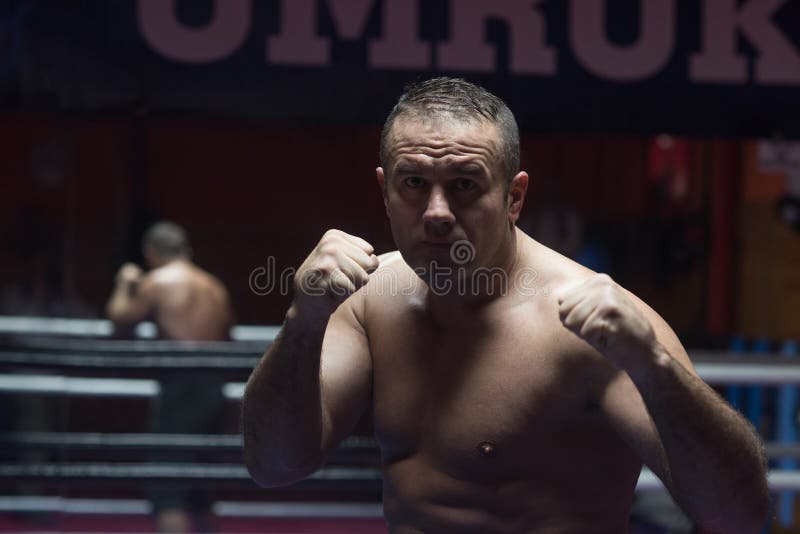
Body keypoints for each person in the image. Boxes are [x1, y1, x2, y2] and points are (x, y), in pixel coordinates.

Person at [242, 78, 769, 532]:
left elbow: (736, 516)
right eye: (414, 184)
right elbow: (274, 465)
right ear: (385, 190)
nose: (437, 213)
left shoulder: (583, 325)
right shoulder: (365, 301)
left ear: (514, 197)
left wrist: (653, 365)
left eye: (465, 185)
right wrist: (302, 320)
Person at [107, 221, 233, 533]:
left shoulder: (158, 281)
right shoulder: (215, 287)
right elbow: (227, 332)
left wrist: (125, 282)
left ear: (151, 253)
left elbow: (120, 320)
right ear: (186, 251)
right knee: (200, 489)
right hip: (216, 386)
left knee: (167, 488)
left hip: (183, 386)